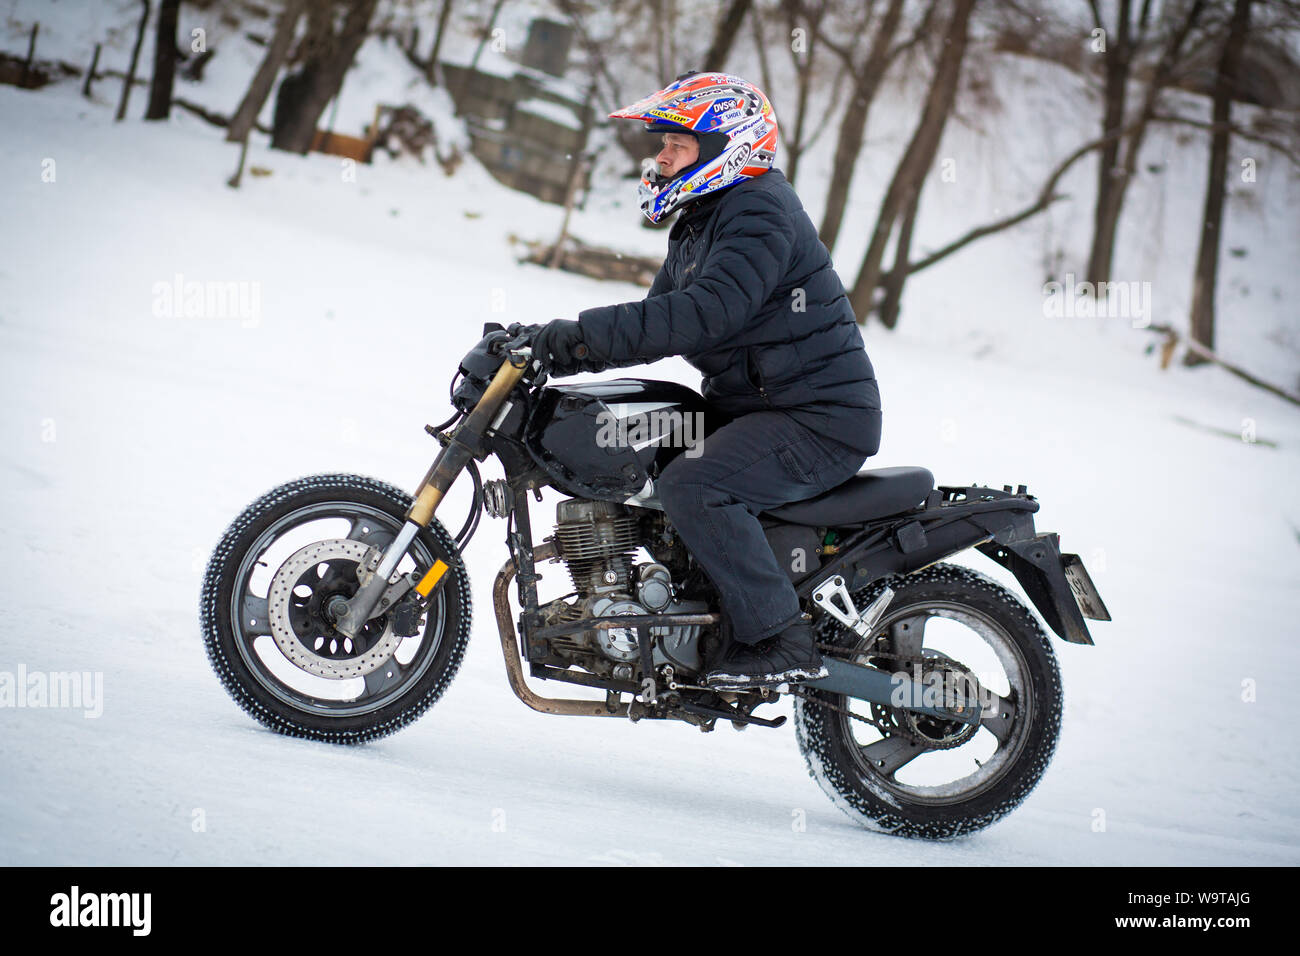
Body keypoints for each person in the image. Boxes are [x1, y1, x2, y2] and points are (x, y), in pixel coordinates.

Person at [529, 72, 882, 689]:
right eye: (661, 144)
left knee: (697, 484)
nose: (661, 159)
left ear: (729, 148)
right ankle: (675, 612)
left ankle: (780, 636)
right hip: (757, 409)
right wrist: (554, 348)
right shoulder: (702, 222)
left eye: (678, 146)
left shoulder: (759, 210)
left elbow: (705, 314)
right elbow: (659, 323)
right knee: (644, 439)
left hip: (817, 419)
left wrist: (573, 334)